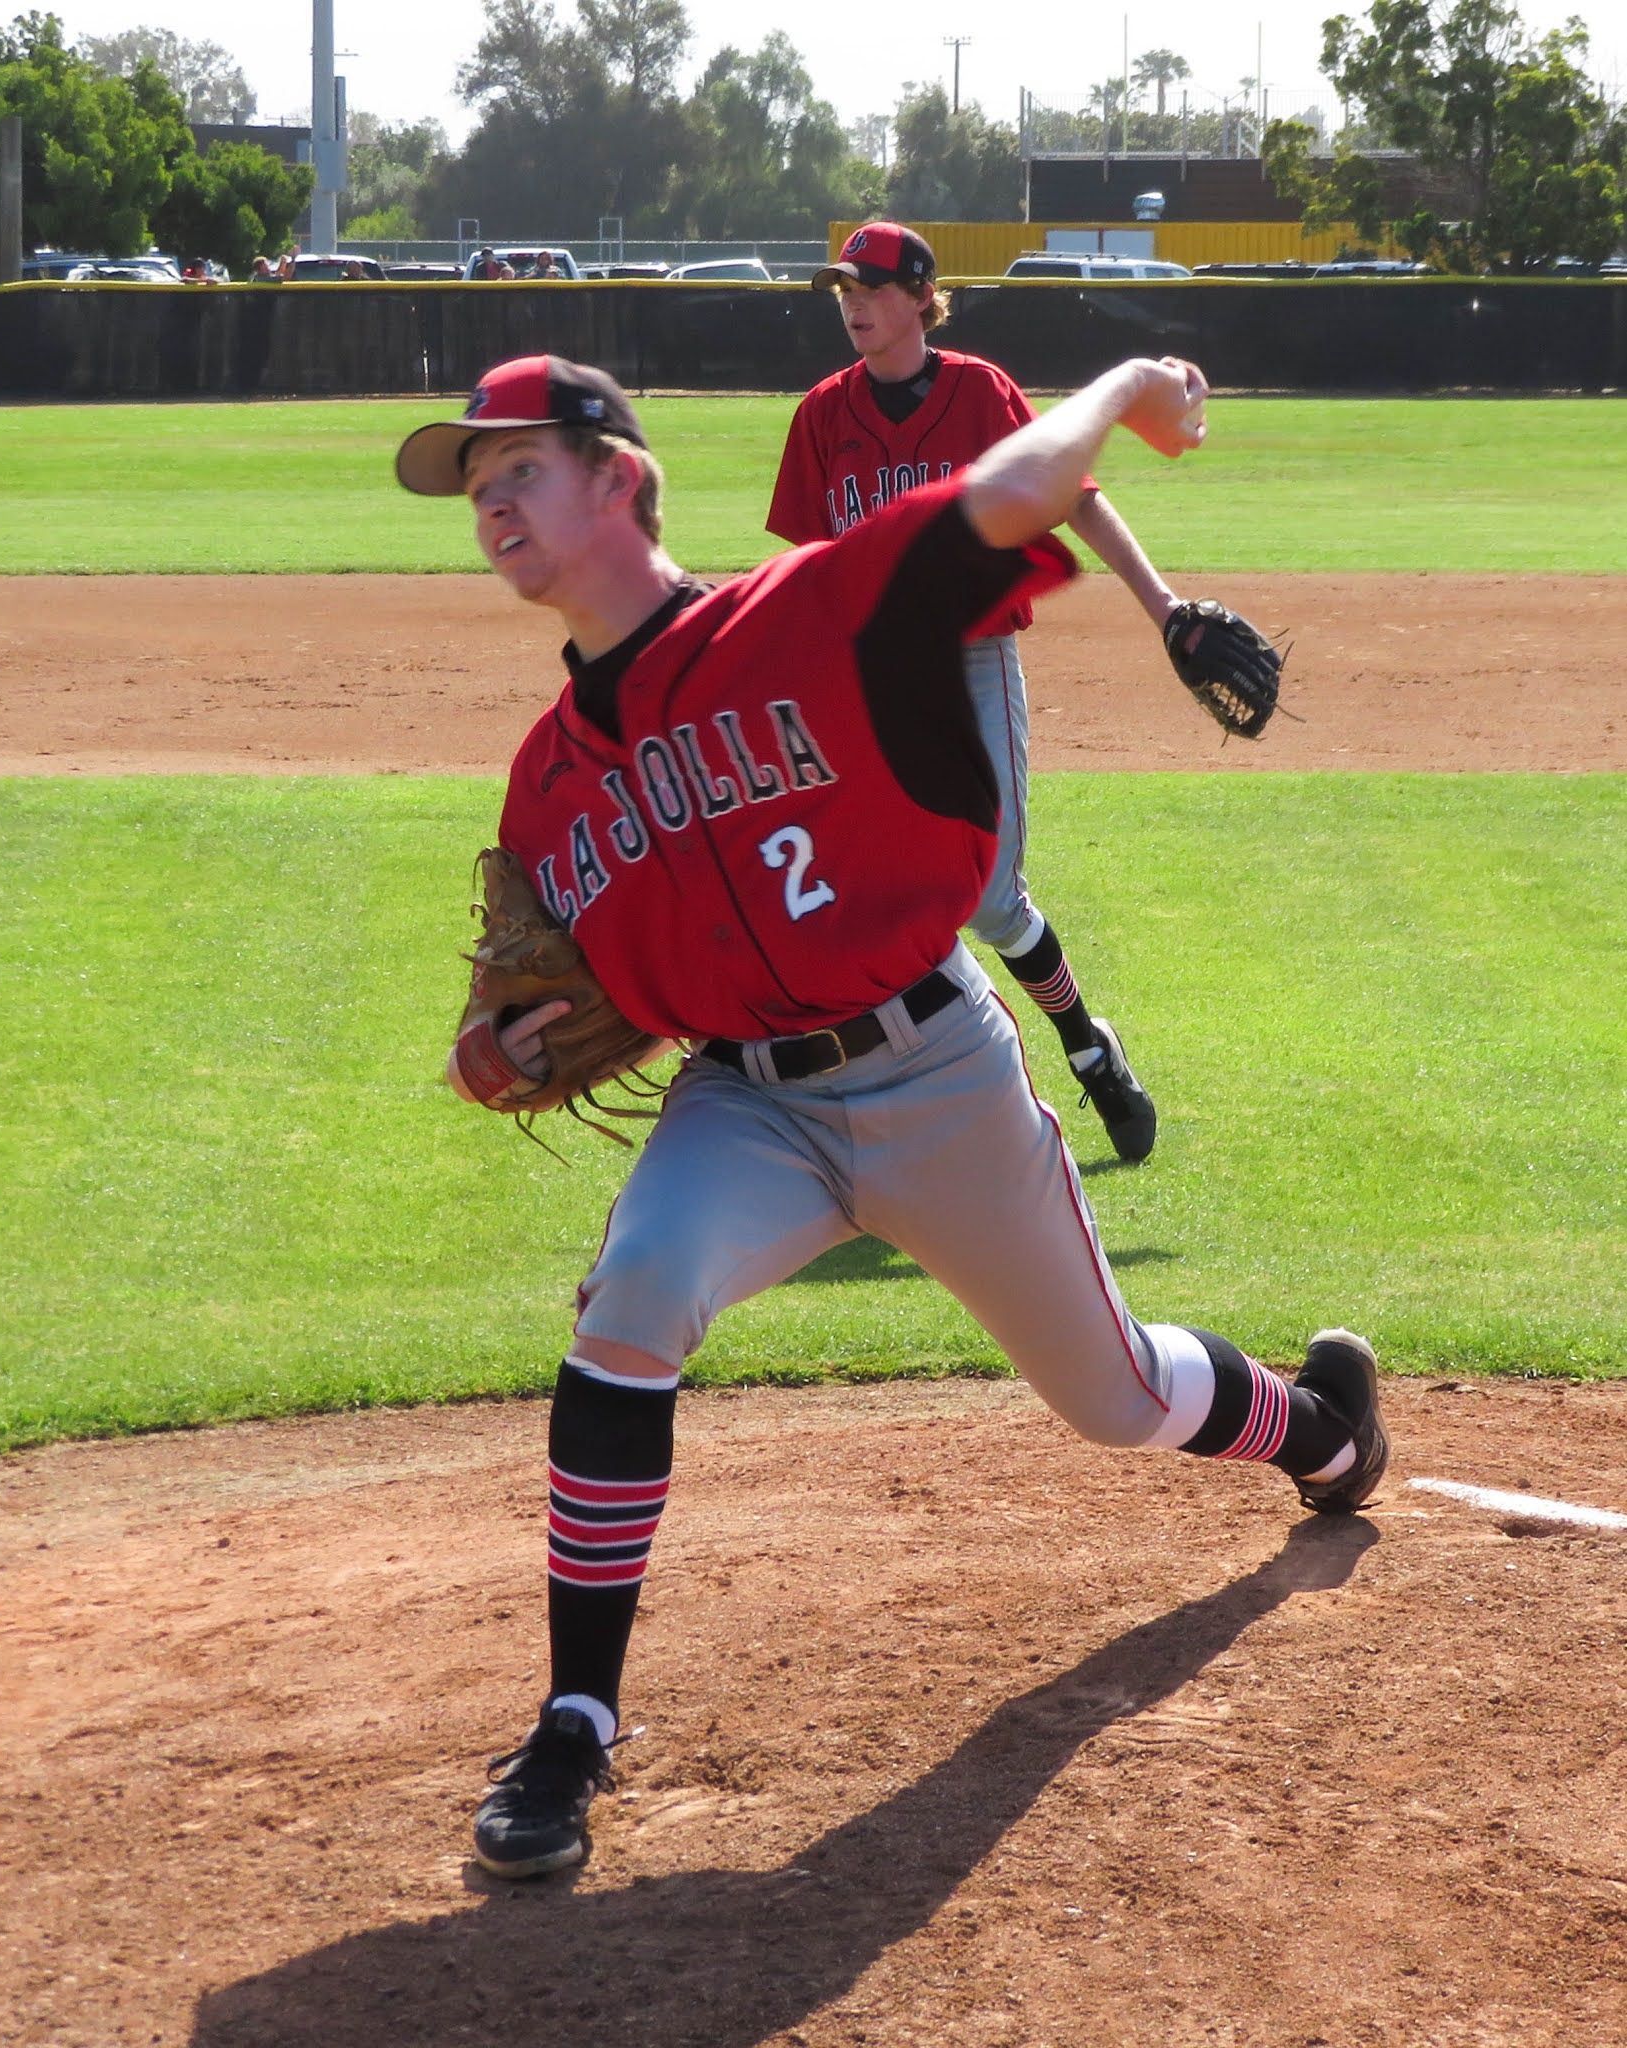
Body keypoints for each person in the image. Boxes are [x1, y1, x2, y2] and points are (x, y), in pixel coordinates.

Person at [393, 349, 1389, 1881]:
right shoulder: (544, 782)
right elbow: (518, 1014)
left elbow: (1011, 493)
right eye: (474, 487)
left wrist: (1125, 384)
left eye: (517, 469)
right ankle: (574, 1722)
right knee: (632, 1296)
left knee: (1115, 1397)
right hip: (746, 1109)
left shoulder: (802, 611)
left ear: (619, 480)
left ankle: (1318, 1431)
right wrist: (486, 1054)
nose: (489, 506)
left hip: (936, 1076)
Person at [769, 222, 1184, 1162]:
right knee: (876, 901)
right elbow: (805, 565)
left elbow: (1073, 491)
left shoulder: (977, 393)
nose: (852, 303)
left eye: (870, 287)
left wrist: (1159, 605)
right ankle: (930, 1106)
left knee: (991, 897)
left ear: (920, 295)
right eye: (841, 287)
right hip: (868, 680)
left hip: (973, 661)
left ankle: (1085, 1044)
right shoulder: (822, 416)